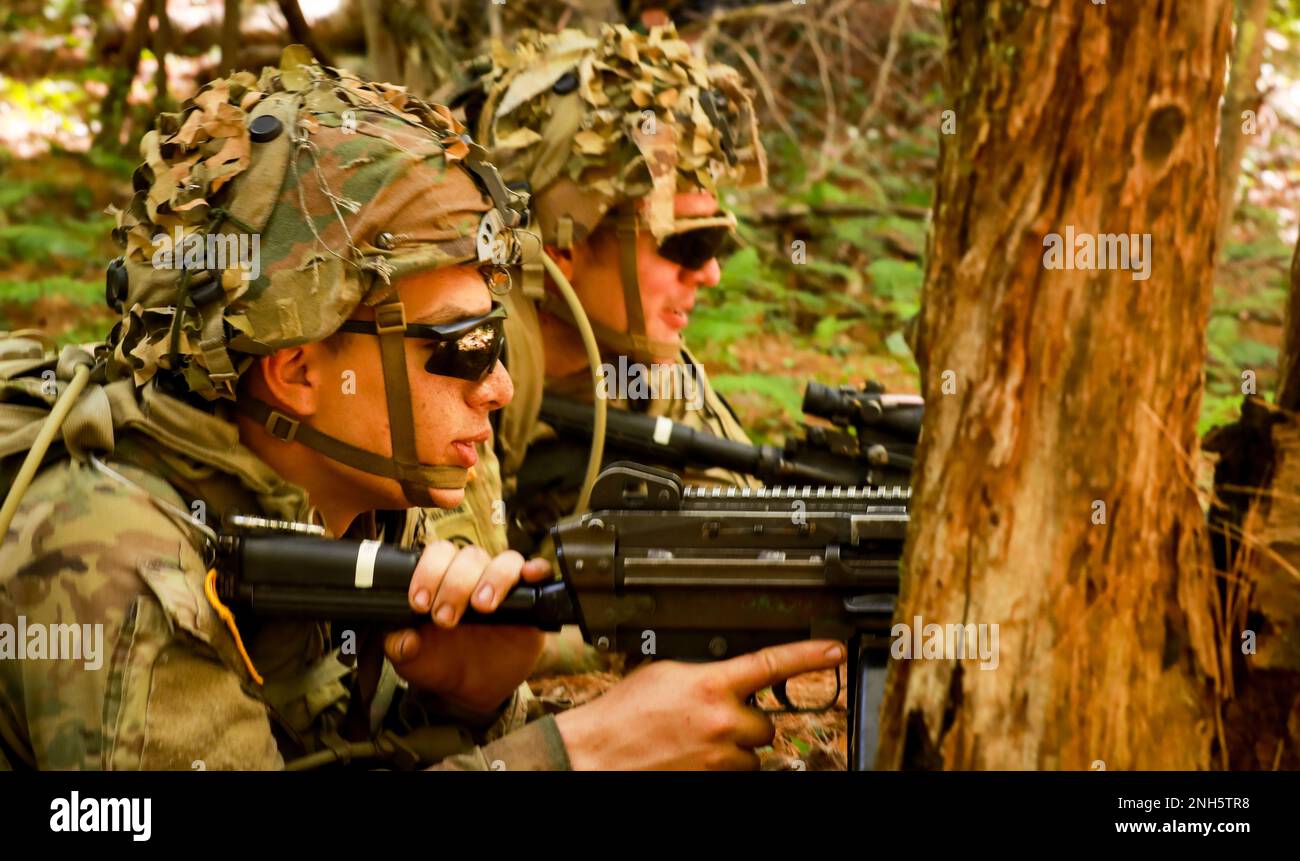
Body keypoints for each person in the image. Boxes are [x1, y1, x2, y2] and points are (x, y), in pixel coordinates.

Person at [0, 53, 845, 770]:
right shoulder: (116, 562)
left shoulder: (350, 502)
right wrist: (577, 753)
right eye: (466, 348)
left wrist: (471, 700)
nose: (501, 387)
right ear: (297, 370)